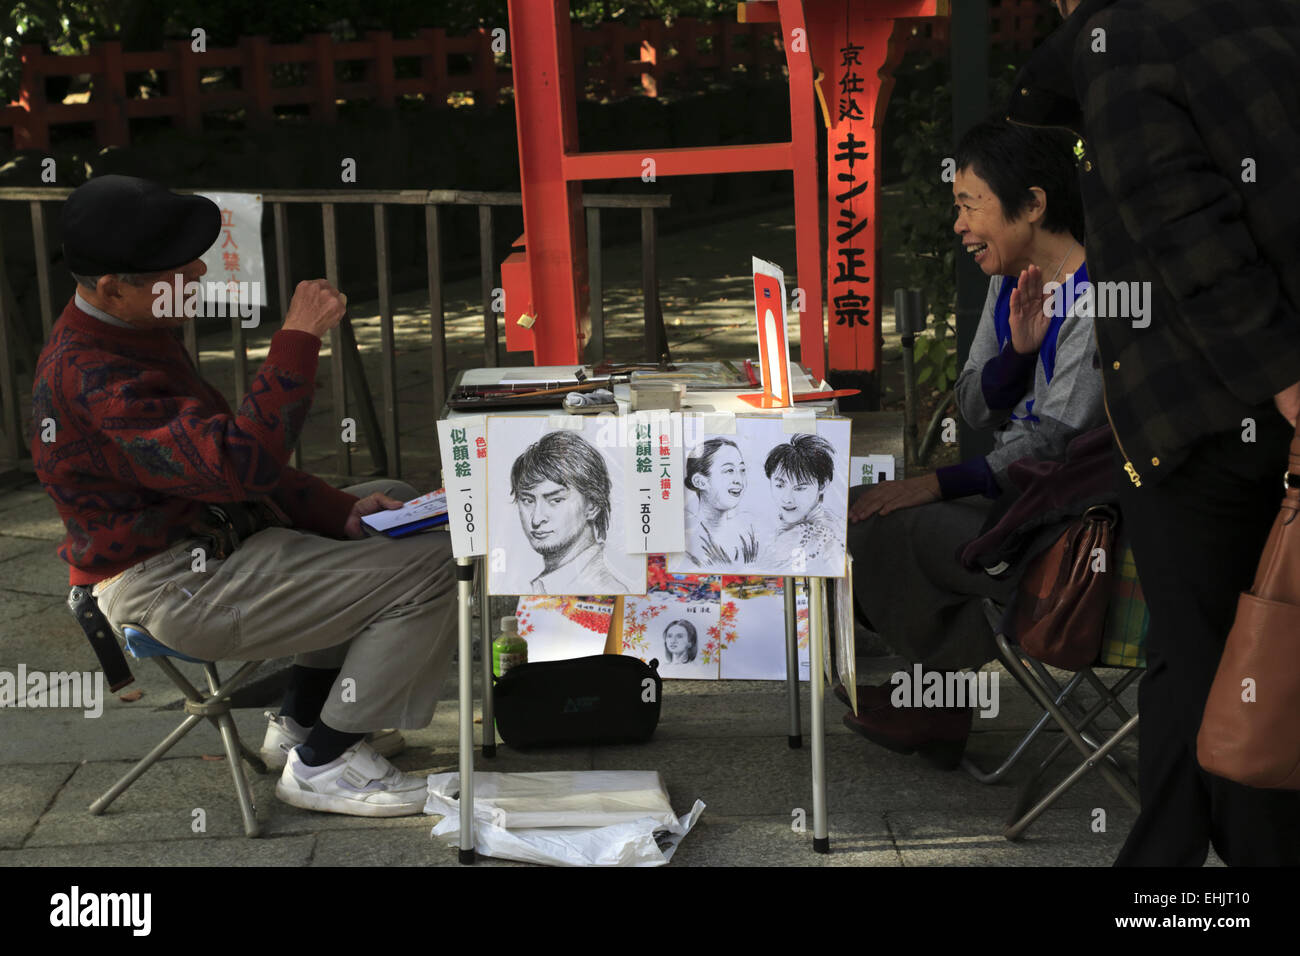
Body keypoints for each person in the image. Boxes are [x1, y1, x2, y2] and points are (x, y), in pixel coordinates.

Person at [31, 175, 456, 817]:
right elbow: (235, 465)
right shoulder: (91, 374)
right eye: (175, 269)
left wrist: (336, 510)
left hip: (216, 541)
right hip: (173, 582)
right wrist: (297, 338)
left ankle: (299, 724)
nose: (198, 271)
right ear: (114, 287)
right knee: (438, 560)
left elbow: (213, 463)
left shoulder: (128, 328)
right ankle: (327, 764)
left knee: (391, 503)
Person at [1014, 0, 1300, 866]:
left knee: (1241, 654)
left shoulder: (1125, 41)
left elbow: (1187, 238)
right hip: (1236, 407)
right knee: (1204, 651)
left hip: (1206, 415)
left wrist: (1289, 382)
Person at [840, 119, 1104, 766]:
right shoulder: (1007, 278)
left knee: (893, 523)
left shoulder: (1102, 298)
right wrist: (1015, 357)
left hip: (1068, 522)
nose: (958, 224)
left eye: (969, 204)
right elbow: (972, 402)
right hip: (1017, 499)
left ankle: (938, 702)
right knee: (859, 512)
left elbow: (1059, 443)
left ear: (1034, 204)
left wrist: (933, 482)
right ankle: (939, 701)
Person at [510, 430, 630, 594]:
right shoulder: (545, 585)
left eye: (556, 500)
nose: (536, 519)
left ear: (592, 505)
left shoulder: (605, 589)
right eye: (528, 501)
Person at [759, 434, 841, 570]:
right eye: (780, 485)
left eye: (800, 488)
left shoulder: (821, 534)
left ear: (823, 485)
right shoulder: (771, 527)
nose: (787, 498)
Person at [683, 438, 759, 567]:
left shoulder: (747, 537)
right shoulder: (690, 541)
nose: (739, 480)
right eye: (729, 470)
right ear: (700, 482)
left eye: (742, 470)